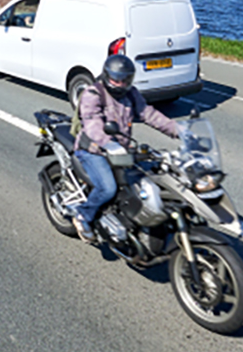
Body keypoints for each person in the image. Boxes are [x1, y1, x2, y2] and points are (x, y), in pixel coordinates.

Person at [71, 54, 181, 242]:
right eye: (117, 79)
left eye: (126, 79)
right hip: (93, 149)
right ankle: (83, 215)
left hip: (120, 150)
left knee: (152, 177)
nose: (121, 84)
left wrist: (179, 130)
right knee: (107, 188)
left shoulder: (131, 93)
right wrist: (108, 143)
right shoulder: (93, 94)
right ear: (107, 76)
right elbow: (93, 124)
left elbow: (148, 114)